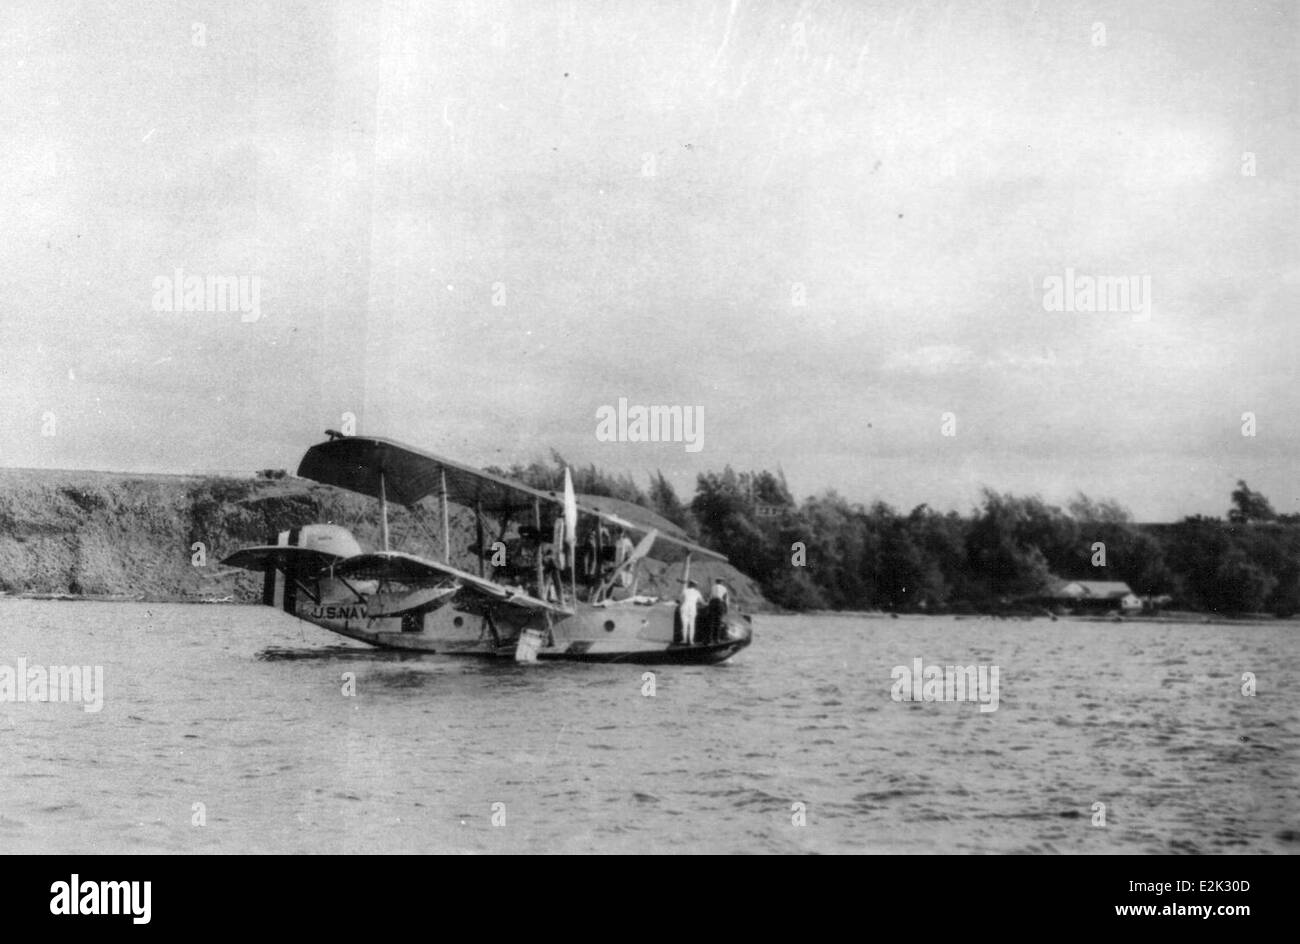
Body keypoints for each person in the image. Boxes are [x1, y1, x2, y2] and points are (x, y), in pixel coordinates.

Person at [678, 580, 703, 645]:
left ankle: (684, 640)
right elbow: (701, 601)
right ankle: (691, 640)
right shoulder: (697, 592)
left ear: (689, 585)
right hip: (693, 608)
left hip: (685, 607)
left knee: (684, 625)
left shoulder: (685, 590)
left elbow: (680, 600)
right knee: (692, 625)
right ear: (695, 586)